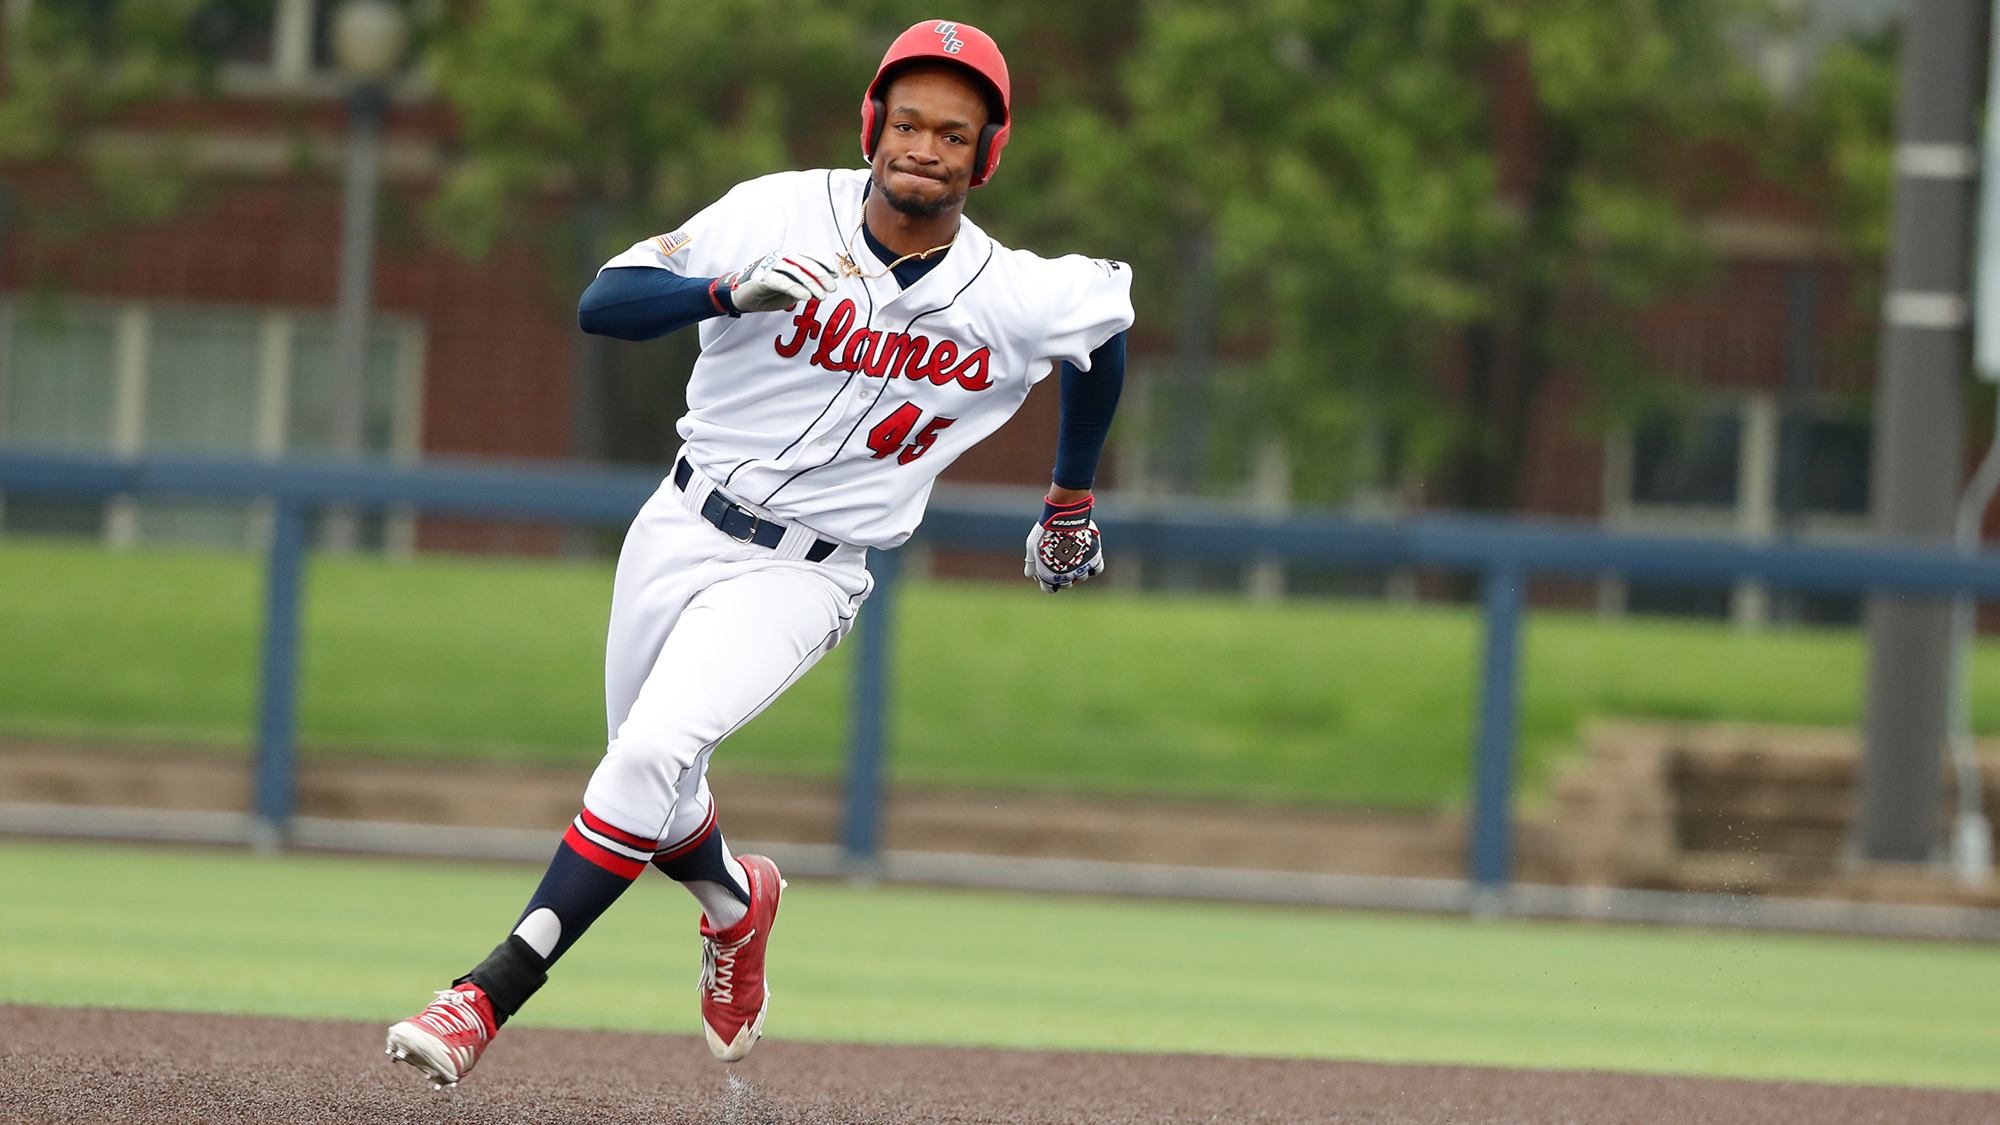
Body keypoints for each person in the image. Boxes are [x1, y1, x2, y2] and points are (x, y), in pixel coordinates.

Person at [383, 18, 1132, 1089]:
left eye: (952, 134)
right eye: (908, 122)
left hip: (809, 569)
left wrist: (1070, 496)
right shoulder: (773, 210)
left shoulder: (1011, 291)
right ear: (872, 124)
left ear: (986, 155)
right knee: (652, 779)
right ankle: (737, 904)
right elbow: (605, 303)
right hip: (680, 523)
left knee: (643, 761)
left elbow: (1100, 334)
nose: (924, 147)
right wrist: (724, 293)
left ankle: (484, 994)